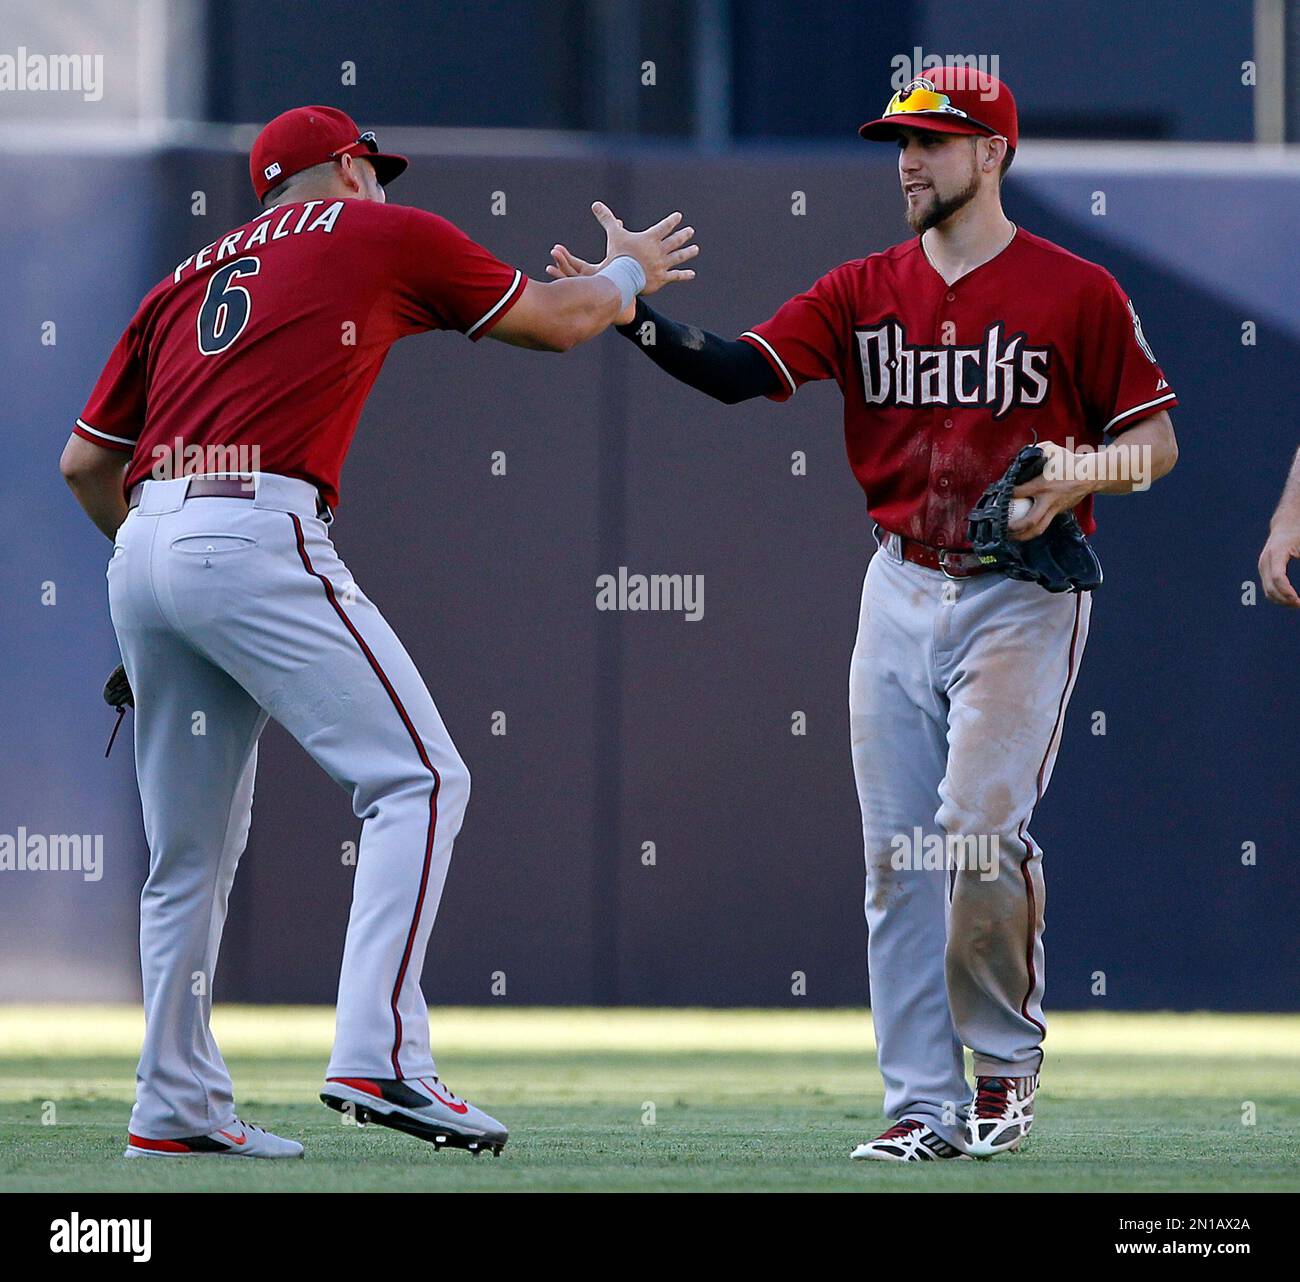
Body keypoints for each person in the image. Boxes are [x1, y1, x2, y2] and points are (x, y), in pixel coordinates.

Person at [547, 68, 1179, 1161]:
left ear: (993, 156)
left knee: (977, 827)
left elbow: (1156, 448)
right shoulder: (858, 288)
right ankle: (919, 1104)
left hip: (1019, 594)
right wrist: (628, 313)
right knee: (897, 856)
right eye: (900, 141)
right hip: (897, 578)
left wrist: (1076, 472)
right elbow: (744, 372)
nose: (908, 159)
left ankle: (1005, 1064)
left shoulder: (1073, 291)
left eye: (934, 142)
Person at [60, 105, 697, 1159]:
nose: (385, 184)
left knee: (185, 860)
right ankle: (380, 1053)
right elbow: (556, 319)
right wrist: (627, 276)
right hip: (253, 525)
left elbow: (88, 464)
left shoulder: (181, 277)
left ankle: (172, 1104)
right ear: (350, 168)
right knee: (421, 780)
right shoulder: (377, 231)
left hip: (146, 541)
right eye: (376, 168)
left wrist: (156, 578)